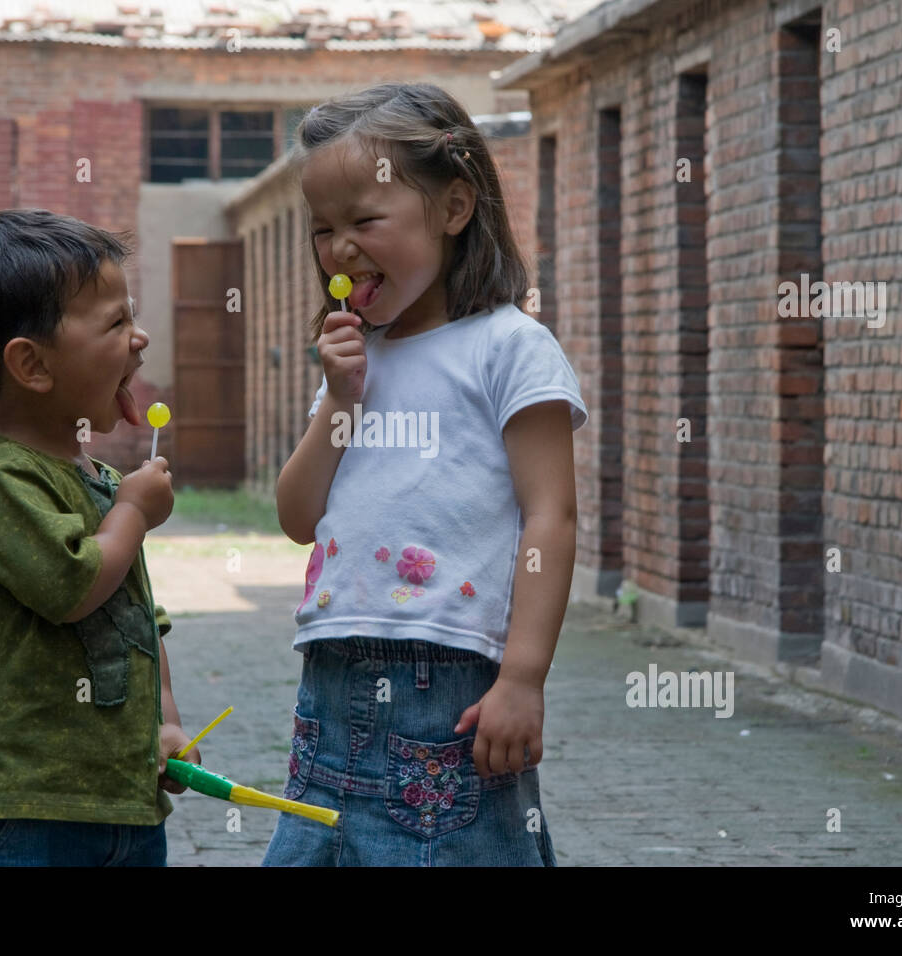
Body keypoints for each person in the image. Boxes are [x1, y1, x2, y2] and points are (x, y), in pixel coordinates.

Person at [264, 83, 587, 866]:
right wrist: (338, 398)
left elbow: (551, 517)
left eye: (366, 221)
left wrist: (523, 678)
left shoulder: (509, 346)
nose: (341, 248)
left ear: (454, 208)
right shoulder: (354, 362)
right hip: (332, 676)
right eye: (323, 229)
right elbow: (299, 515)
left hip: (450, 687)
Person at [0, 209, 199, 866]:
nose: (139, 340)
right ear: (33, 365)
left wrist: (166, 721)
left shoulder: (103, 481)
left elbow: (140, 620)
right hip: (27, 817)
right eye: (115, 323)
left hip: (125, 806)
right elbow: (75, 584)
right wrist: (133, 513)